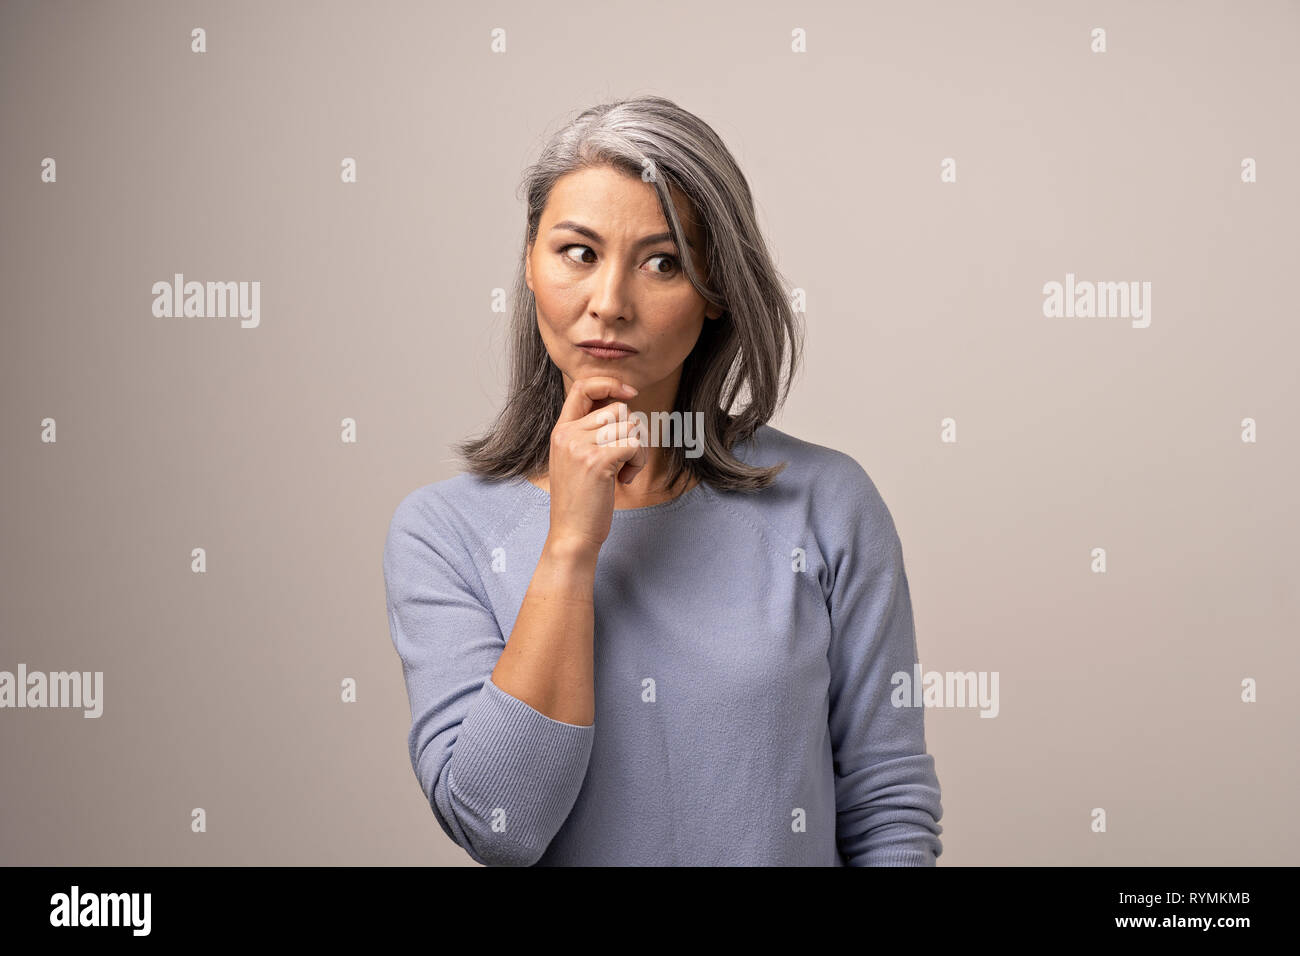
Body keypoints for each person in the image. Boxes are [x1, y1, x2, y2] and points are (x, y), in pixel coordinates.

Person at [383, 94, 943, 865]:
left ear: (715, 293)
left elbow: (887, 805)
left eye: (663, 262)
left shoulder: (828, 505)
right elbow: (500, 828)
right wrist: (570, 547)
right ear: (530, 264)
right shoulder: (443, 533)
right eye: (578, 252)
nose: (608, 304)